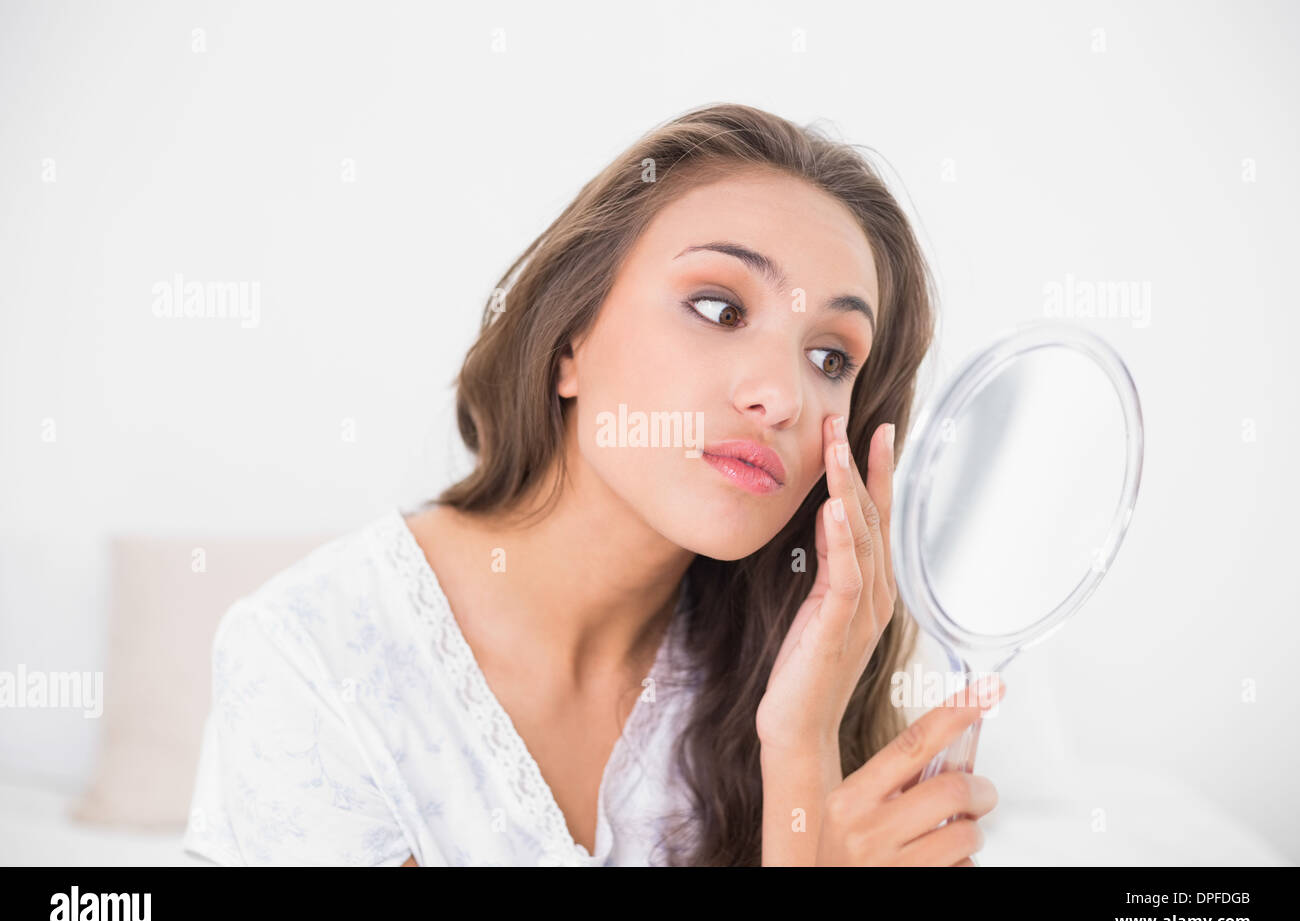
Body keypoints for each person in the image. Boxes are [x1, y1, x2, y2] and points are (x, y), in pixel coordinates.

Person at [182, 102, 1003, 867]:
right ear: (570, 340)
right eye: (720, 309)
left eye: (832, 358)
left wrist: (800, 747)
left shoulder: (794, 678)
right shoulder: (315, 660)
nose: (783, 397)